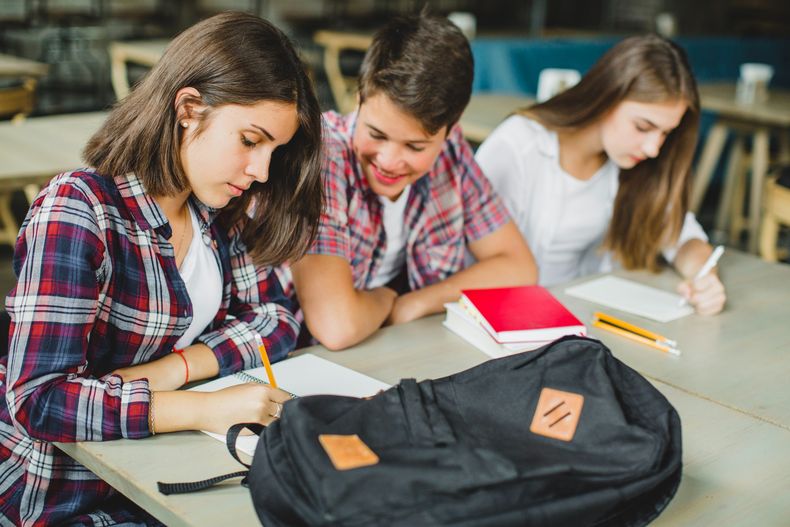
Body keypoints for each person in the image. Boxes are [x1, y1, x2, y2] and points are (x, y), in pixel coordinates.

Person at [0, 12, 322, 525]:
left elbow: (277, 318)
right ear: (189, 108)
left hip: (173, 468)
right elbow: (39, 401)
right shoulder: (79, 210)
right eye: (249, 140)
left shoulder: (216, 209)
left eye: (274, 151)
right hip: (70, 495)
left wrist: (176, 369)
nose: (261, 171)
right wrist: (203, 407)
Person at [287, 13, 537, 350]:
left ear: (450, 129)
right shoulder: (325, 155)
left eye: (414, 146)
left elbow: (518, 266)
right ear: (359, 98)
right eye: (376, 133)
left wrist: (415, 303)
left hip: (392, 349)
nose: (389, 161)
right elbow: (337, 327)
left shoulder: (451, 154)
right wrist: (391, 294)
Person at [475, 34, 726, 315]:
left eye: (665, 133)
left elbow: (683, 237)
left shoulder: (636, 164)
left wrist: (705, 277)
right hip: (507, 315)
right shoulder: (518, 145)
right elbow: (475, 256)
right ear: (607, 97)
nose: (654, 148)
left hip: (581, 317)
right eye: (643, 127)